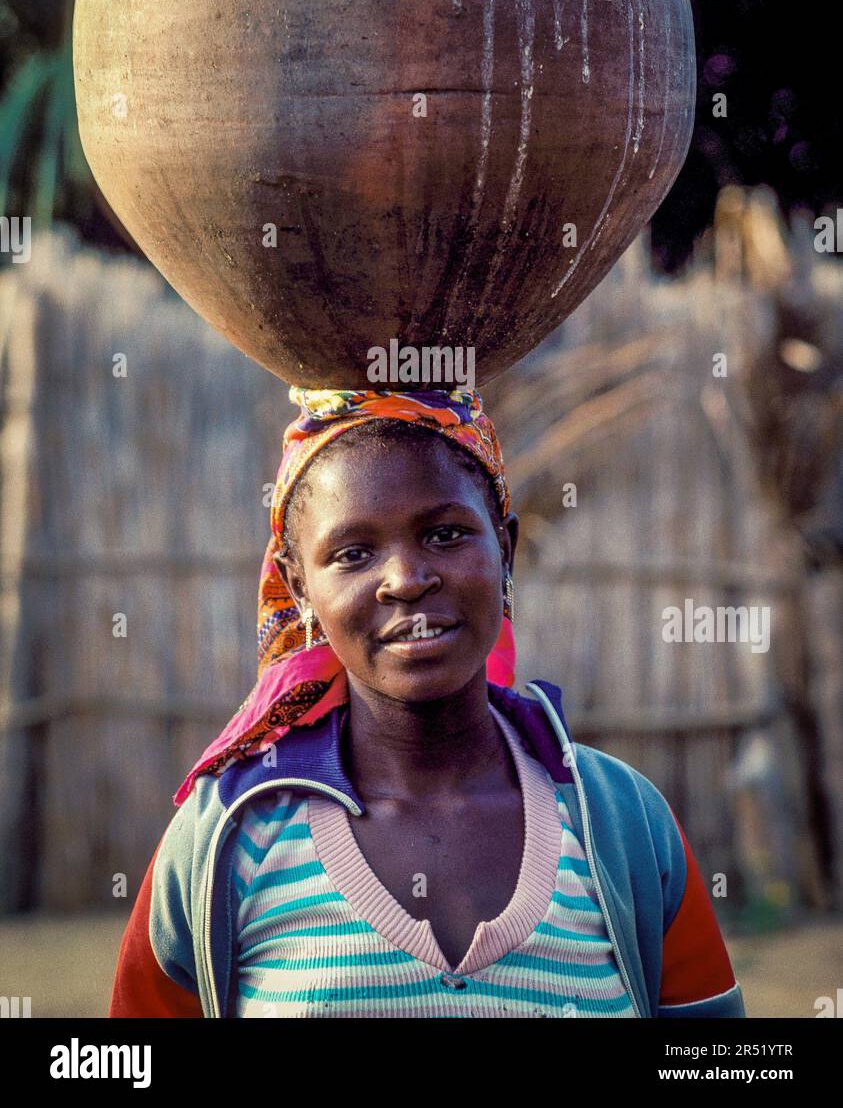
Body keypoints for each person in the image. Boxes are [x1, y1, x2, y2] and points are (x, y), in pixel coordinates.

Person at [109, 386, 746, 1018]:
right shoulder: (230, 838)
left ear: (506, 550)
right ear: (299, 586)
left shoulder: (618, 823)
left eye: (445, 534)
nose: (406, 580)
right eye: (353, 554)